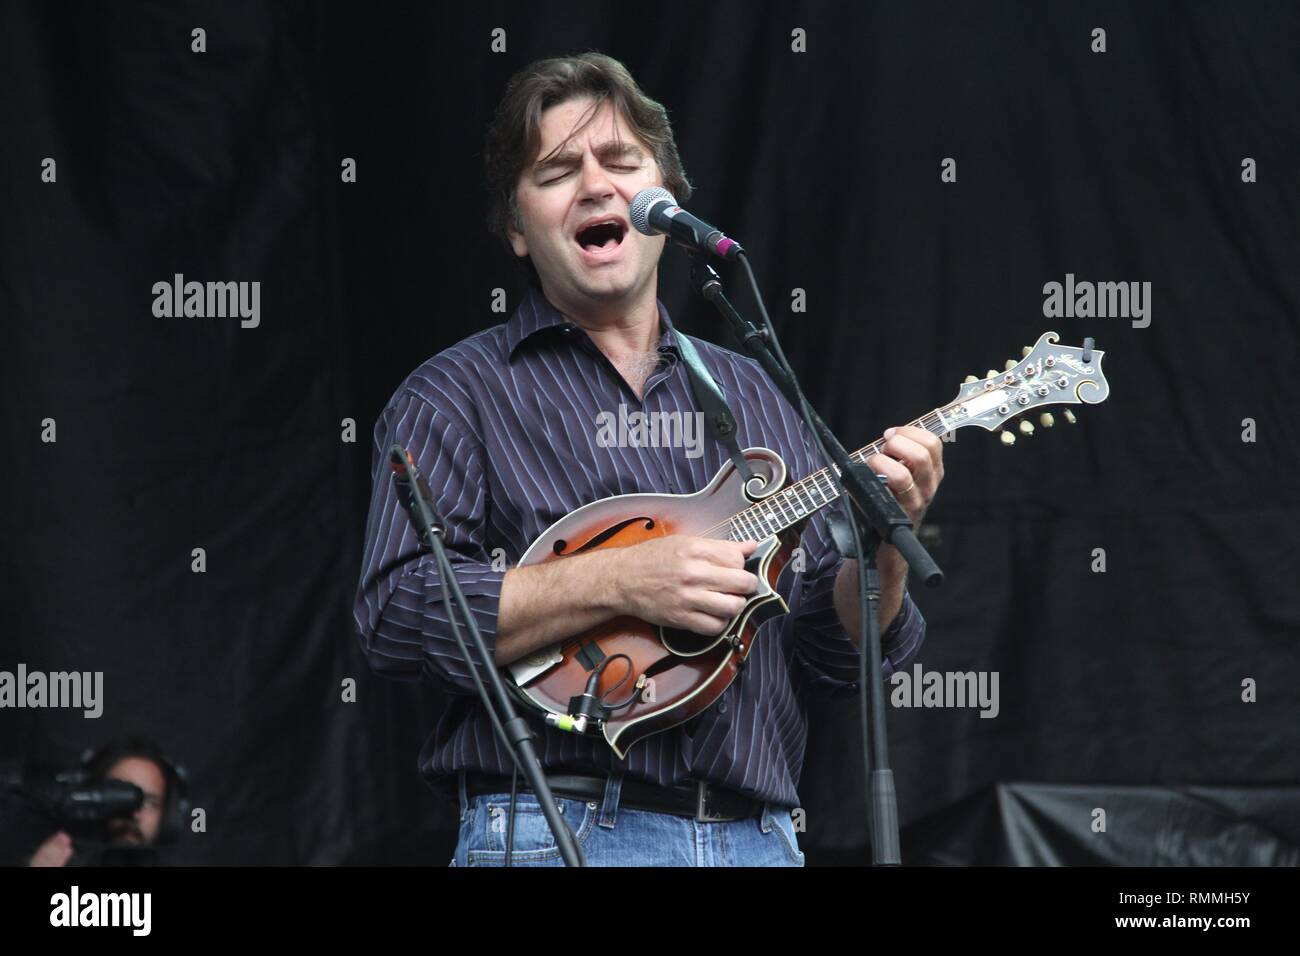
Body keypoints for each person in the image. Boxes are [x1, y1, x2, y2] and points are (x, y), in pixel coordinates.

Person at [354, 52, 944, 866]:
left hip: (758, 840)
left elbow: (835, 663)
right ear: (518, 230)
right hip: (553, 833)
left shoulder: (763, 395)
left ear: (665, 203)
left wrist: (883, 549)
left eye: (621, 161)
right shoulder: (454, 394)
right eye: (558, 170)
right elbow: (394, 618)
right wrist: (623, 580)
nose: (596, 185)